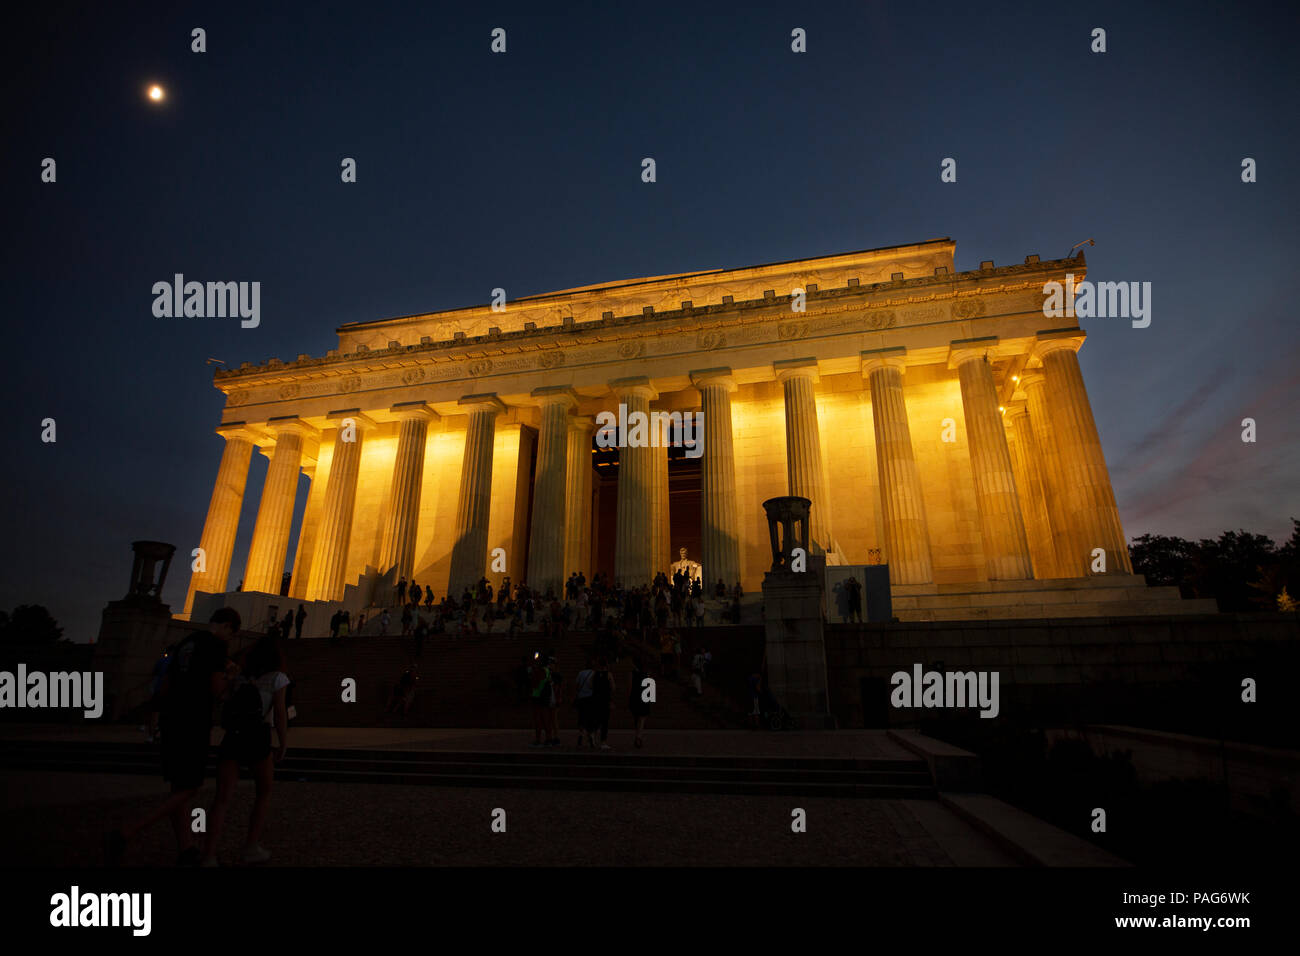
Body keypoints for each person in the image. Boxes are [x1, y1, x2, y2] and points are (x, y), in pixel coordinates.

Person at [106, 607, 238, 866]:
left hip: (171, 719)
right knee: (189, 787)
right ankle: (128, 830)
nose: (230, 639)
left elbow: (165, 683)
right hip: (193, 720)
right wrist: (230, 677)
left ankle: (186, 848)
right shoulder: (215, 646)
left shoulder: (185, 643)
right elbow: (216, 688)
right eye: (231, 634)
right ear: (227, 627)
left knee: (178, 785)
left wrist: (156, 717)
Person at [201, 633, 289, 866]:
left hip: (234, 736)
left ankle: (208, 855)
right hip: (258, 737)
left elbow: (221, 699)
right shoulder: (277, 678)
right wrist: (283, 742)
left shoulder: (239, 678)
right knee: (263, 793)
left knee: (221, 799)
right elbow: (280, 714)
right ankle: (250, 846)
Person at [591, 657, 614, 750]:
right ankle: (603, 742)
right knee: (605, 722)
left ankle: (593, 734)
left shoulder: (594, 674)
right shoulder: (608, 674)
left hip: (596, 700)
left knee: (596, 719)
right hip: (605, 700)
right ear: (606, 665)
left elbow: (590, 685)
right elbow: (613, 687)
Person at [574, 656, 596, 748]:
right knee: (591, 718)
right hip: (591, 698)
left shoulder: (581, 673)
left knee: (581, 717)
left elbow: (577, 686)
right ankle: (590, 735)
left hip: (582, 698)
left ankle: (581, 735)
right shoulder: (594, 674)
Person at [628, 660, 652, 749]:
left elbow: (630, 687)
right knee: (642, 719)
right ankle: (638, 737)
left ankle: (638, 736)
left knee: (637, 718)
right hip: (644, 698)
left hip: (634, 698)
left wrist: (629, 698)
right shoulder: (646, 673)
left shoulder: (632, 673)